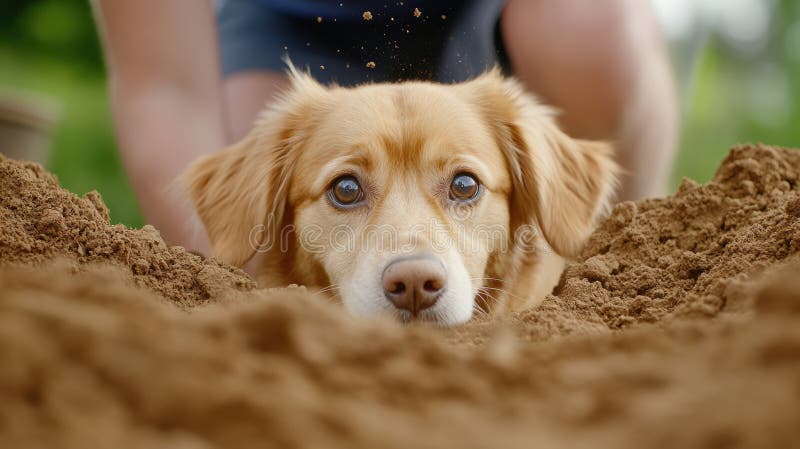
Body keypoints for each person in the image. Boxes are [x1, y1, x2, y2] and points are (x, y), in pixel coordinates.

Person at [92, 0, 678, 256]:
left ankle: (624, 269)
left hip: (491, 15)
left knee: (590, 30)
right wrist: (225, 285)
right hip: (287, 22)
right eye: (347, 189)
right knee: (258, 242)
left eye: (463, 185)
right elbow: (164, 90)